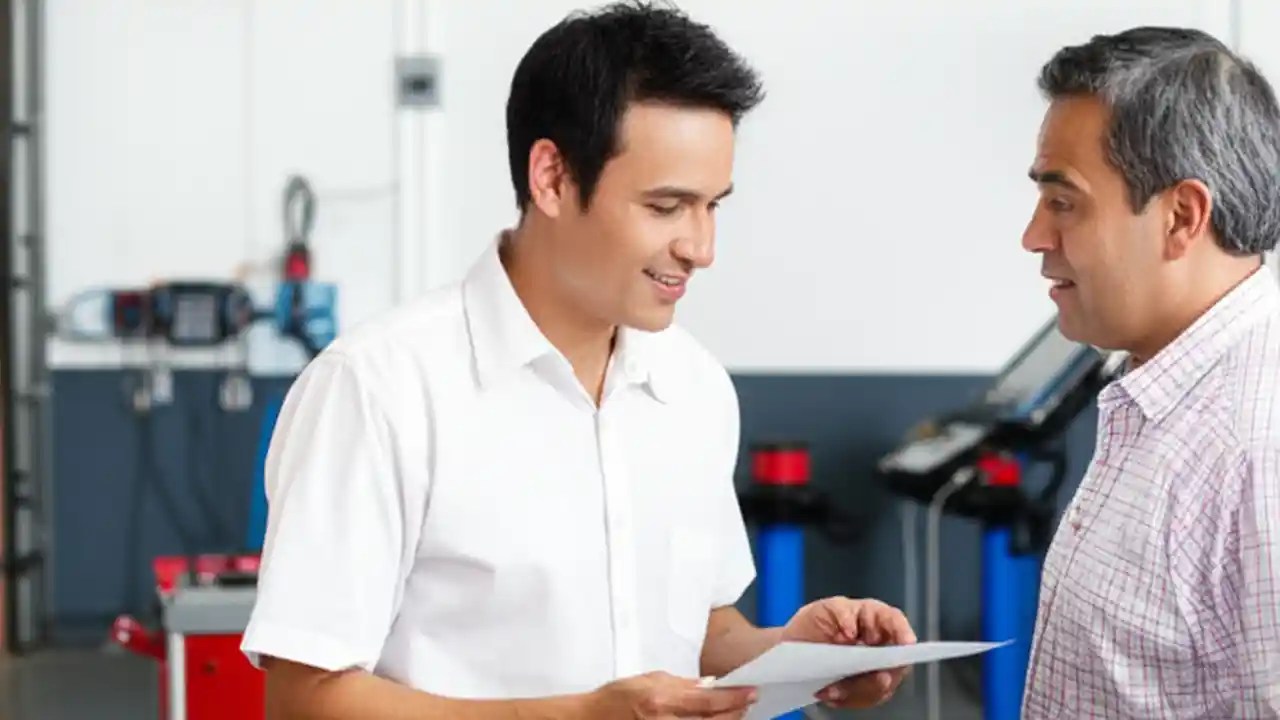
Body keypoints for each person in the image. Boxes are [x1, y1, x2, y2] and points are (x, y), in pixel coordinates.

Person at [241, 3, 915, 718]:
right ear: (552, 177)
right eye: (666, 206)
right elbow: (305, 696)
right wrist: (578, 716)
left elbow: (702, 630)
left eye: (713, 205)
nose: (701, 247)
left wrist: (795, 658)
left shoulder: (693, 387)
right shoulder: (378, 389)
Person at [1020, 26, 1280, 718]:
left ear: (1181, 217)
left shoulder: (1259, 439)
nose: (1034, 237)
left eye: (1064, 202)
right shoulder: (1164, 394)